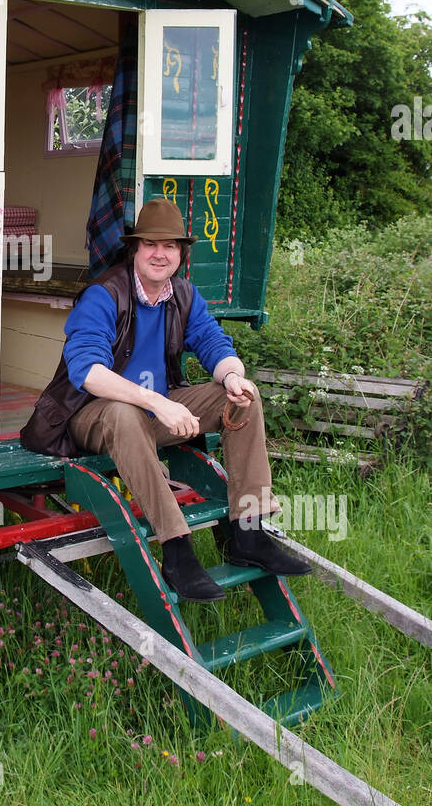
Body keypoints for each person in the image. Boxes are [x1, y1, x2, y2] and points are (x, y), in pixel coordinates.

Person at [19, 198, 310, 601]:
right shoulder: (104, 295)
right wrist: (158, 403)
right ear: (134, 249)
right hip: (92, 415)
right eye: (151, 244)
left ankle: (248, 532)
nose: (160, 253)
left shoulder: (183, 296)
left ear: (181, 254)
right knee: (124, 413)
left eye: (170, 246)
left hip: (154, 411)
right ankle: (176, 551)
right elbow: (87, 371)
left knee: (246, 397)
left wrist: (231, 375)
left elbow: (213, 342)